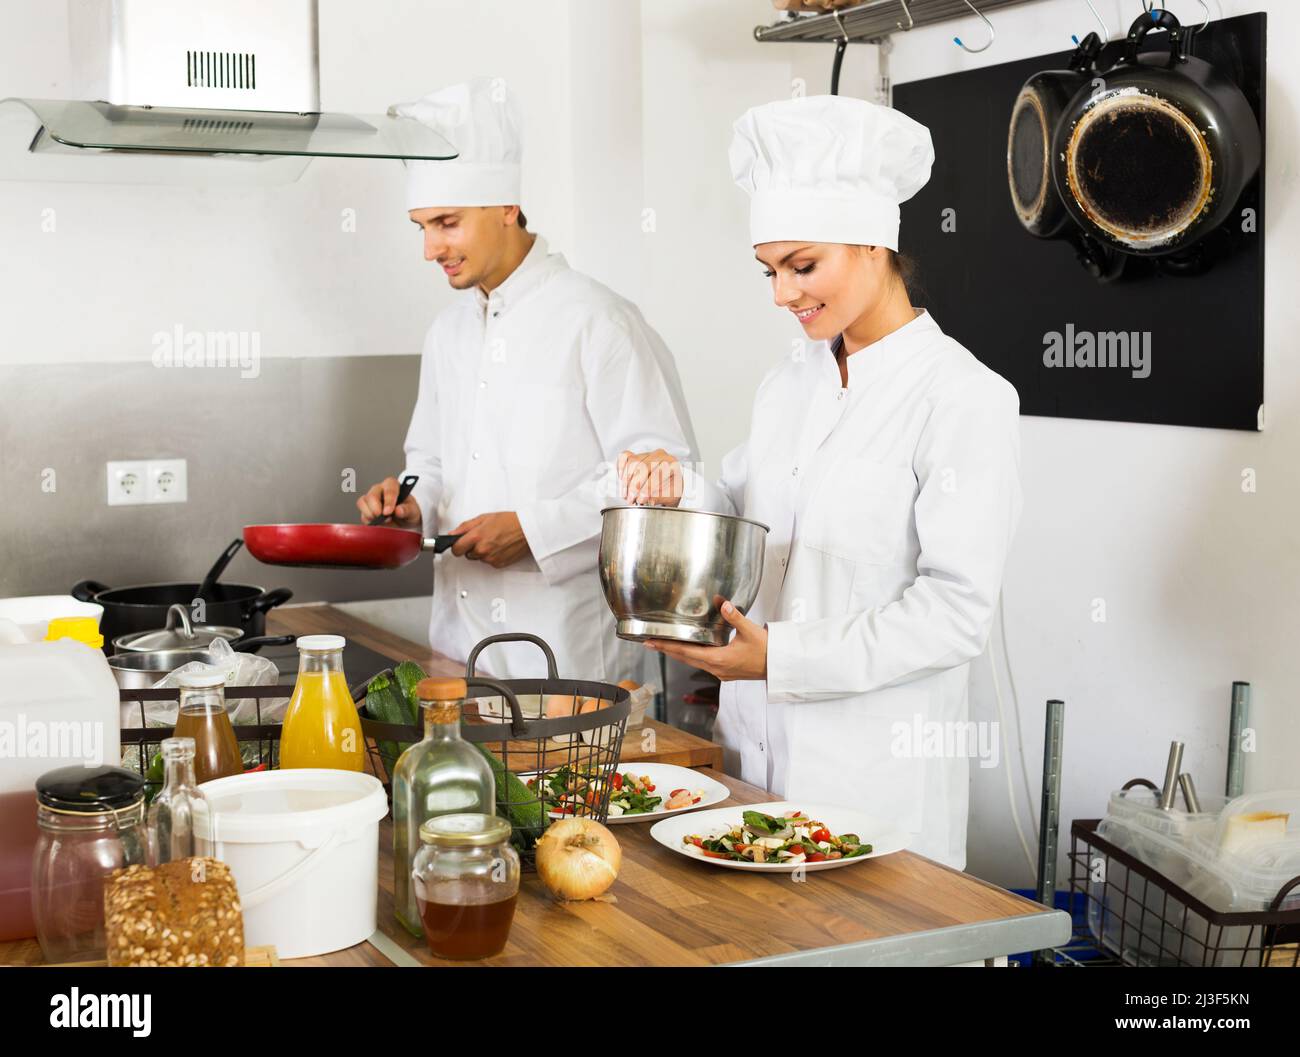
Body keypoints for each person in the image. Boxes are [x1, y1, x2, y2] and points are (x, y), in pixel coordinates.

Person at [618, 95, 1022, 870]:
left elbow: (955, 613)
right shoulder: (791, 380)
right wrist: (676, 490)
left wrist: (782, 658)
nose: (782, 295)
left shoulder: (964, 397)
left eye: (803, 266)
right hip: (751, 763)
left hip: (873, 786)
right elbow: (741, 510)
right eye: (769, 270)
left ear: (874, 245)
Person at [360, 78, 698, 681]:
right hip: (457, 649)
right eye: (422, 227)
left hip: (568, 657)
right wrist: (412, 502)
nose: (431, 248)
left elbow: (664, 484)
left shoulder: (600, 322)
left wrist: (534, 531)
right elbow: (431, 460)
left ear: (506, 208)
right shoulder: (448, 332)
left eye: (446, 222)